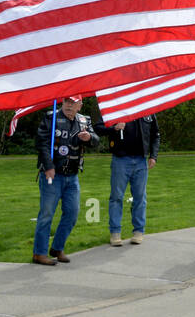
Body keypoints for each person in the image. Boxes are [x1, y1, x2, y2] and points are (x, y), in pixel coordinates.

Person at [33, 96, 99, 265]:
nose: (69, 105)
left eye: (73, 102)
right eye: (66, 102)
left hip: (72, 175)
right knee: (47, 214)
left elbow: (96, 141)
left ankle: (57, 248)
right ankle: (39, 253)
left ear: (80, 105)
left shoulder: (85, 120)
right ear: (62, 102)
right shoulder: (51, 117)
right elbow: (41, 144)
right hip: (52, 175)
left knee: (72, 213)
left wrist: (89, 138)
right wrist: (48, 167)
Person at [94, 114, 161, 246]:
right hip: (120, 160)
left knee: (140, 197)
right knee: (116, 197)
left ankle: (138, 231)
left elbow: (155, 135)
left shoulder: (147, 110)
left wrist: (153, 156)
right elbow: (97, 128)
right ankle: (115, 233)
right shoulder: (116, 107)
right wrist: (114, 128)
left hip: (141, 160)